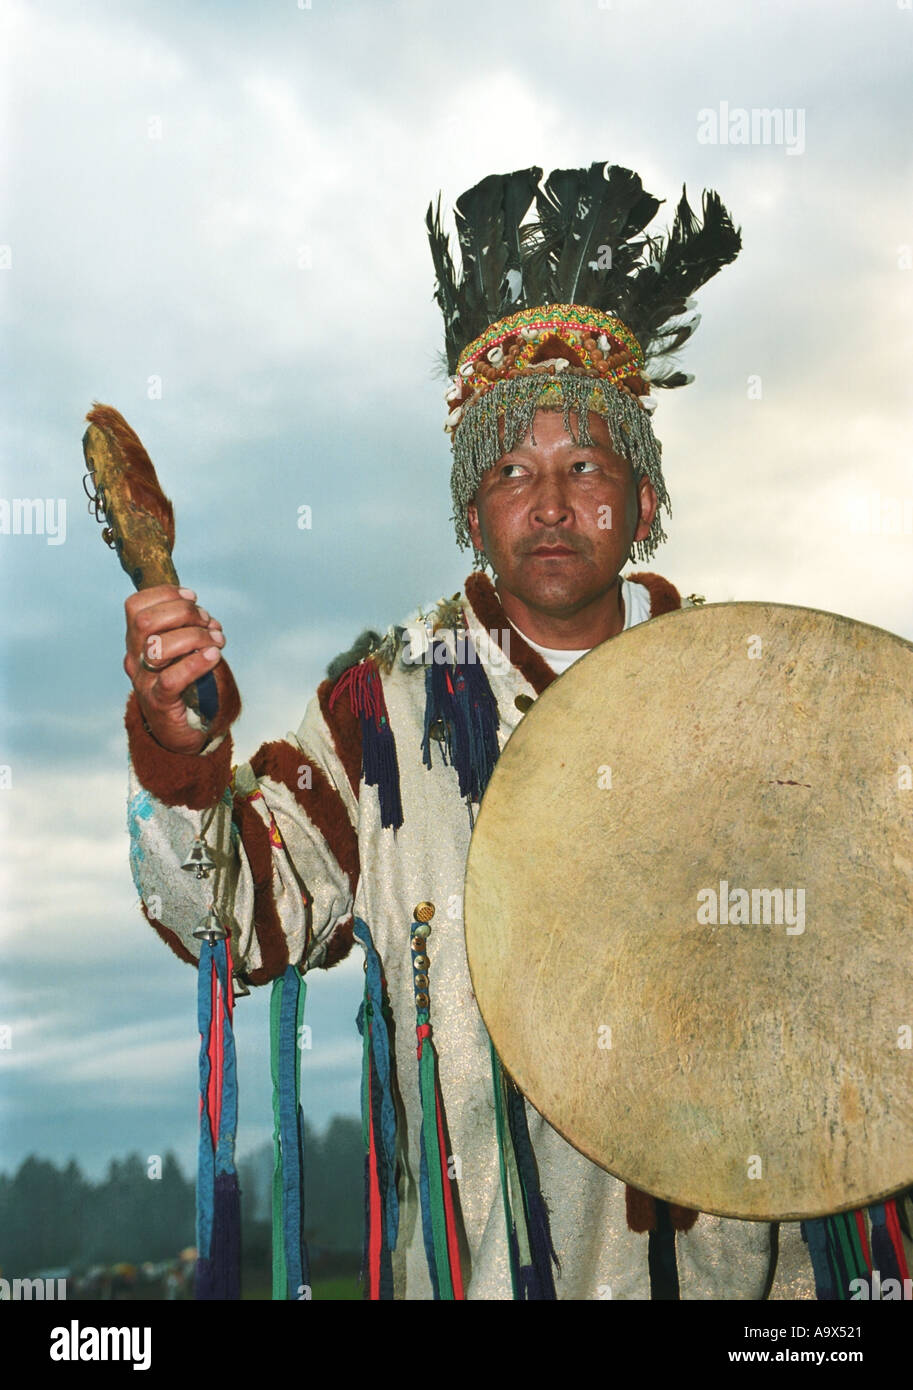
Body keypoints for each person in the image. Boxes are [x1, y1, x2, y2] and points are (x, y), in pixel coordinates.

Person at [122, 161, 819, 1299]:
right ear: (471, 505)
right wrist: (178, 744)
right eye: (510, 471)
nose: (549, 505)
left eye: (584, 466)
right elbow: (237, 917)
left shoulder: (761, 696)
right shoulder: (380, 711)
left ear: (641, 495)